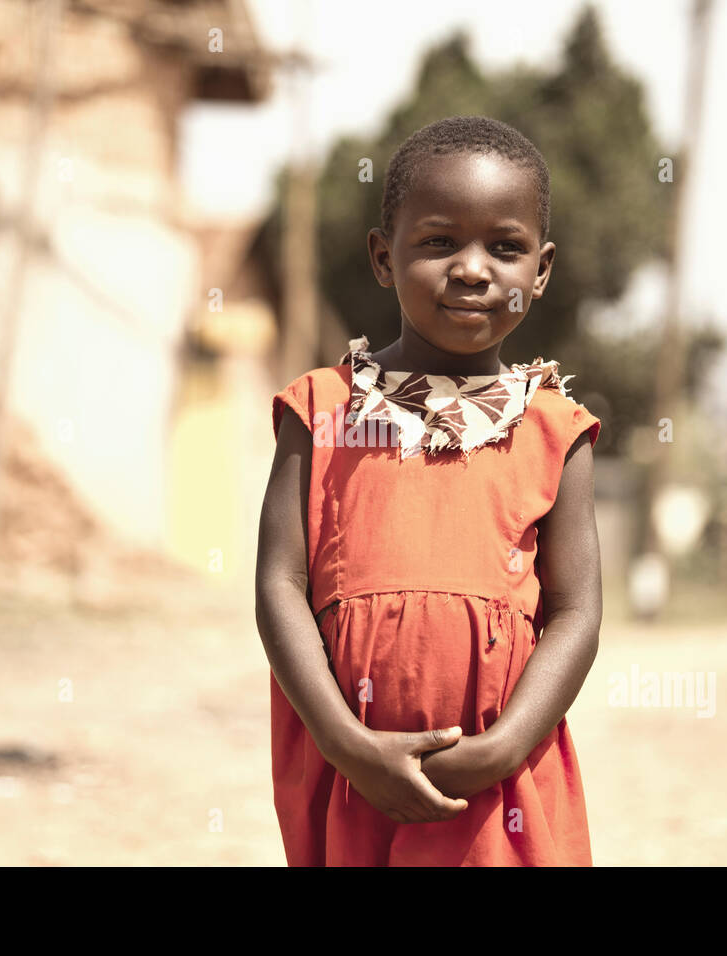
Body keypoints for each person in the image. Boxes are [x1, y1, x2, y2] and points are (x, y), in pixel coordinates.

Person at [255, 116, 603, 866]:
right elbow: (279, 585)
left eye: (505, 248)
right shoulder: (321, 410)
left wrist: (504, 746)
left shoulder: (555, 428)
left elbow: (577, 612)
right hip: (353, 774)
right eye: (440, 242)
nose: (473, 270)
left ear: (540, 272)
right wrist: (344, 741)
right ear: (384, 257)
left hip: (500, 787)